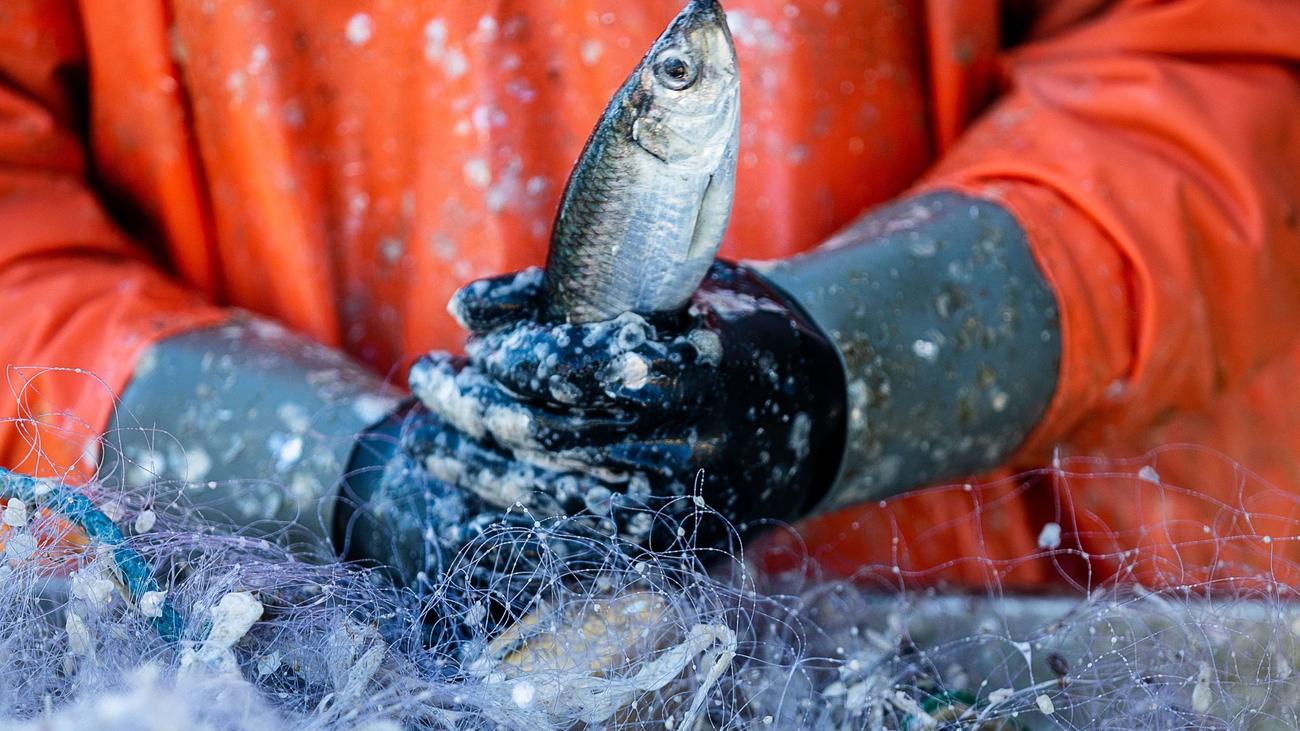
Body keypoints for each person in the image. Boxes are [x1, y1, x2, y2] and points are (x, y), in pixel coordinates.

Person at [1, 1, 1298, 590]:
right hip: (263, 640)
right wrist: (333, 473)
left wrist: (836, 368)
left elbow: (1225, 74)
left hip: (1005, 615)